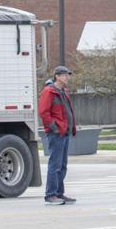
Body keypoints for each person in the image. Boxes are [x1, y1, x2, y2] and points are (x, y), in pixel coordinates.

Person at [39, 65, 77, 205]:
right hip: (57, 133)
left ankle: (59, 193)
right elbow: (44, 113)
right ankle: (50, 195)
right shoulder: (49, 92)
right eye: (65, 75)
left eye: (68, 75)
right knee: (55, 164)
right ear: (57, 76)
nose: (67, 77)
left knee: (62, 165)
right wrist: (55, 128)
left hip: (64, 132)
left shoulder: (63, 92)